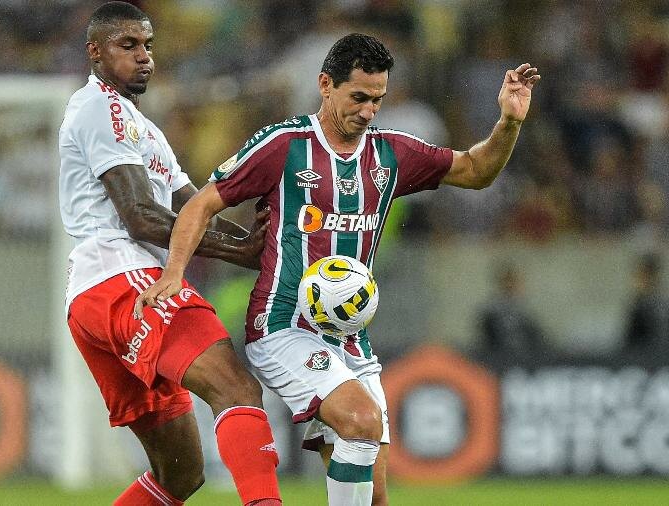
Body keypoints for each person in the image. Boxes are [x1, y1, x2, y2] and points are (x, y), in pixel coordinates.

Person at [137, 33, 540, 505]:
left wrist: (508, 124)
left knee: (376, 497)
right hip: (283, 328)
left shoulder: (390, 154)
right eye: (359, 97)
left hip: (349, 339)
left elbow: (475, 171)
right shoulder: (285, 146)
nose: (369, 111)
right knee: (362, 421)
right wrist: (173, 275)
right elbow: (200, 205)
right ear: (326, 84)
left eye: (378, 100)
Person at [58, 3, 281, 505]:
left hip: (97, 299)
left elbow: (195, 210)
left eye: (148, 45)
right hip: (123, 279)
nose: (144, 57)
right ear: (95, 51)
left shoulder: (145, 131)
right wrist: (240, 251)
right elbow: (140, 216)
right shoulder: (100, 108)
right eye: (128, 45)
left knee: (179, 474)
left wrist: (259, 240)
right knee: (236, 389)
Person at [477, 262, 549, 365]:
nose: (511, 286)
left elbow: (535, 337)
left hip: (525, 359)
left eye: (514, 283)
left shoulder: (523, 310)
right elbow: (488, 338)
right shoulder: (491, 310)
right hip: (498, 360)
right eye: (508, 282)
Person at [623, 252, 669, 362]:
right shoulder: (638, 302)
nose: (635, 281)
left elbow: (663, 341)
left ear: (650, 276)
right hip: (639, 363)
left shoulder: (660, 305)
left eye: (639, 276)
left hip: (652, 364)